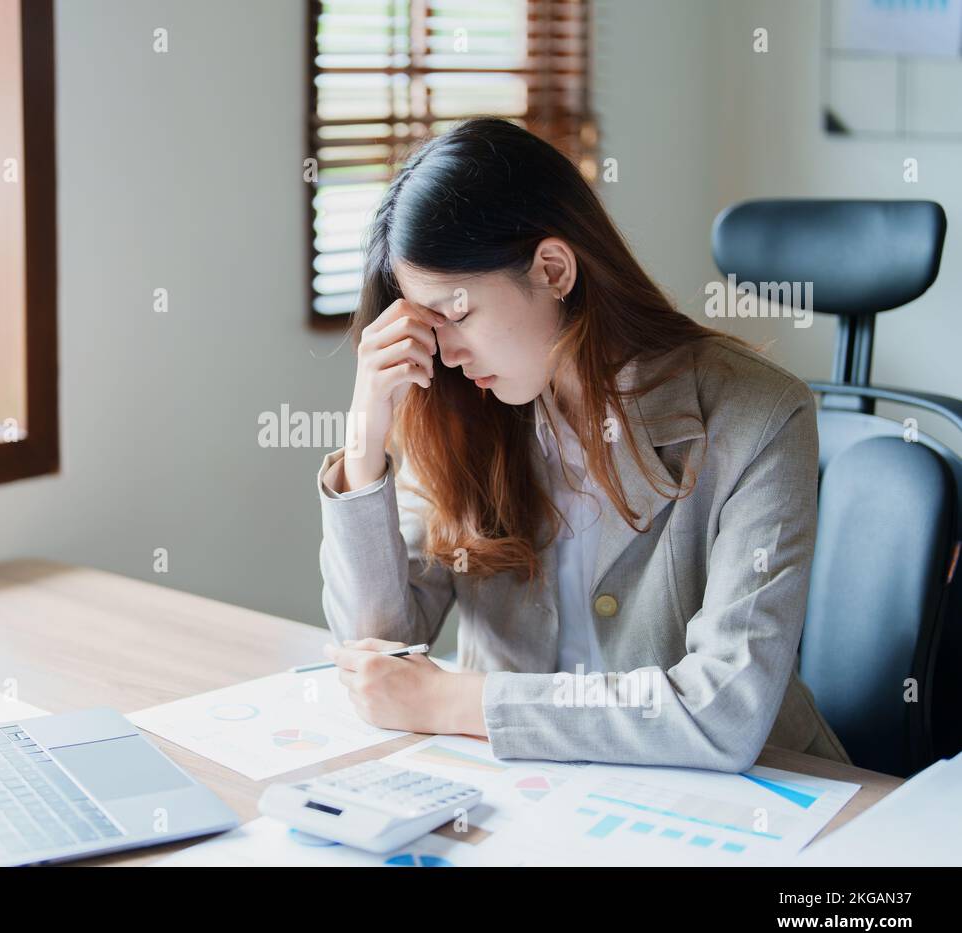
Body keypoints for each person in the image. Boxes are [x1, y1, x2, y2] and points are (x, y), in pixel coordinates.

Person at [316, 116, 850, 772]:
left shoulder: (760, 417)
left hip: (754, 800)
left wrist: (460, 703)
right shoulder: (468, 409)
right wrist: (366, 437)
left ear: (552, 268)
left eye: (455, 314)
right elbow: (378, 662)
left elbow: (724, 714)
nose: (446, 353)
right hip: (535, 796)